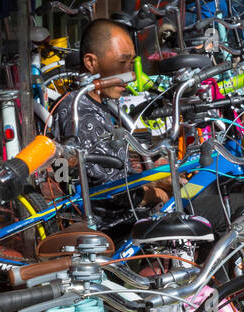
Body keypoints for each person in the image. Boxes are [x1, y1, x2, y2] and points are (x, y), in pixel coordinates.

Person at [49, 19, 168, 232]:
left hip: (119, 210)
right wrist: (155, 193)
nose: (129, 75)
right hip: (111, 225)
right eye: (121, 63)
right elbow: (115, 194)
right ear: (91, 62)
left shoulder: (98, 102)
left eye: (131, 63)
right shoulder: (82, 115)